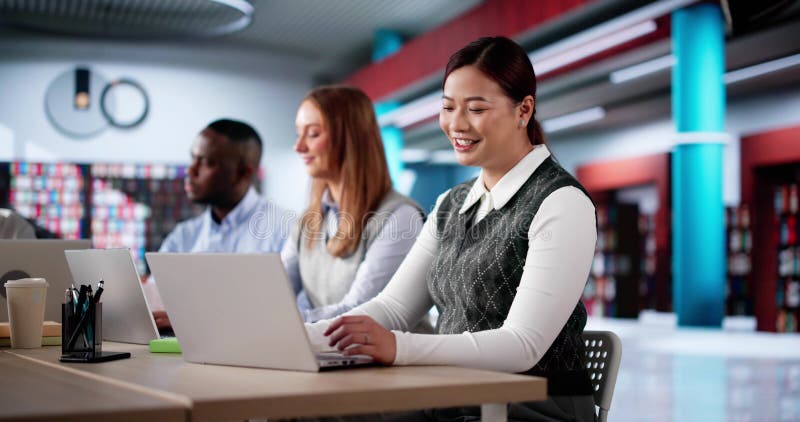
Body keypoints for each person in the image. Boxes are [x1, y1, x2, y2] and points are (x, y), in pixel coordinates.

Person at [306, 37, 598, 421]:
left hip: (533, 405)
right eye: (447, 108)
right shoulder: (451, 204)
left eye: (476, 108)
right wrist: (303, 338)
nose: (456, 124)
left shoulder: (561, 202)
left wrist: (397, 347)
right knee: (322, 411)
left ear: (523, 110)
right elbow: (393, 307)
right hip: (456, 396)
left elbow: (522, 345)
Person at [282, 85, 425, 323]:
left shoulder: (400, 216)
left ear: (349, 140)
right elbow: (278, 290)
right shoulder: (309, 220)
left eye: (314, 134)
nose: (299, 147)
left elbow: (360, 310)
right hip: (333, 354)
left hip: (398, 359)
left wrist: (284, 322)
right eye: (299, 134)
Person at [147, 119, 293, 330]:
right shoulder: (183, 237)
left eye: (206, 162)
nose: (191, 170)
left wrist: (195, 319)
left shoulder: (285, 232)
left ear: (244, 173)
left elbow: (284, 314)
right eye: (193, 158)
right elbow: (154, 302)